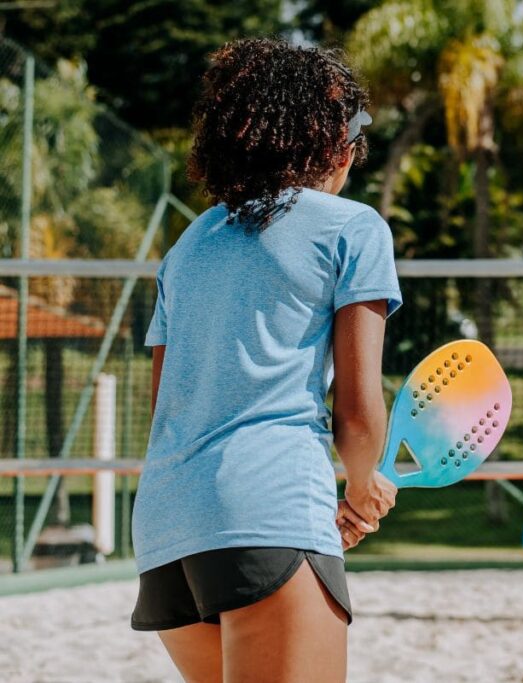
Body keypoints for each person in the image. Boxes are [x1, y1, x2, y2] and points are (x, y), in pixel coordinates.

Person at [129, 39, 403, 682]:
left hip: (168, 527)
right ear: (334, 143)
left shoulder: (189, 245)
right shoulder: (353, 227)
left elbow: (168, 403)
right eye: (354, 132)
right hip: (268, 510)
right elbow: (359, 412)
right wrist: (363, 484)